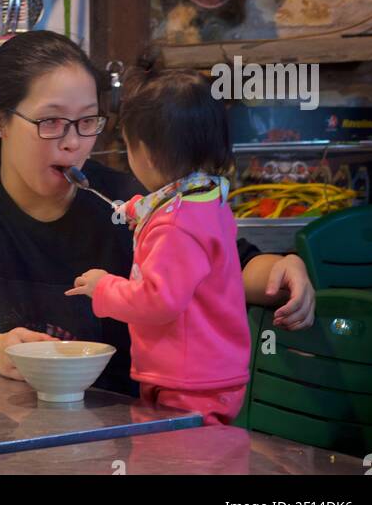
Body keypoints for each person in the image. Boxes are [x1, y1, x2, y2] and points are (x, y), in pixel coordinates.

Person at [0, 32, 315, 394]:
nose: (72, 143)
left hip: (118, 431)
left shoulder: (134, 203)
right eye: (50, 122)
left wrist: (284, 268)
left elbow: (227, 267)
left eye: (88, 122)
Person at [66, 68, 251, 424]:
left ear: (145, 154)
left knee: (177, 459)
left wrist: (104, 288)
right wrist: (140, 210)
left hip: (188, 381)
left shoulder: (176, 226)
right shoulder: (206, 197)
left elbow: (159, 300)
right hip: (208, 372)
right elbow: (170, 209)